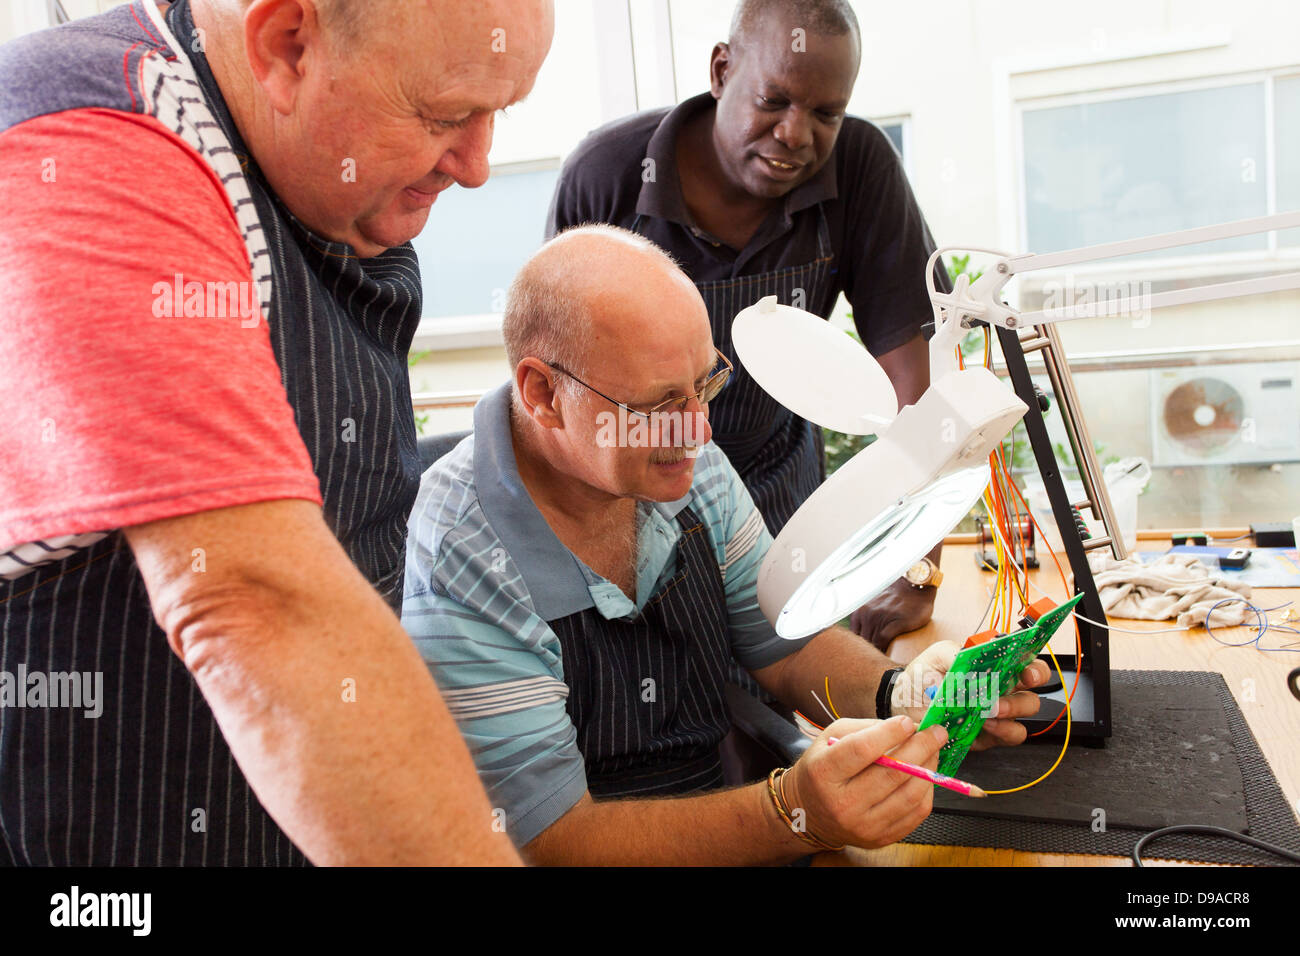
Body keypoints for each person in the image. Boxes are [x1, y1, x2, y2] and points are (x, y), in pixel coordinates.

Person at [0, 0, 552, 866]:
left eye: (500, 114)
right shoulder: (94, 137)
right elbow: (255, 607)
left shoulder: (319, 179)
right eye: (447, 116)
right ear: (287, 44)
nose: (478, 166)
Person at [402, 225, 1048, 865]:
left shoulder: (686, 456)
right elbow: (551, 841)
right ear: (544, 394)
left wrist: (904, 693)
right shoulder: (464, 548)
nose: (700, 429)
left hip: (730, 813)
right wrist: (792, 813)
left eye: (706, 385)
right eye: (660, 404)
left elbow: (783, 644)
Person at [546, 0, 948, 651]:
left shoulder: (861, 167)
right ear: (721, 69)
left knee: (793, 713)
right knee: (677, 724)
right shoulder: (607, 179)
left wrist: (917, 565)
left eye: (826, 114)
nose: (796, 134)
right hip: (635, 510)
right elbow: (559, 401)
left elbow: (911, 392)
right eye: (774, 100)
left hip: (782, 503)